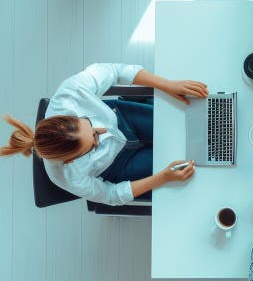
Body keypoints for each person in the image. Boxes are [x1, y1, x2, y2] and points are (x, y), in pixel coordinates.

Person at [0, 63, 207, 205]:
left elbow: (117, 70)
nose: (101, 132)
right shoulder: (66, 176)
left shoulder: (69, 95)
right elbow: (111, 194)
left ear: (72, 116)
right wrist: (162, 177)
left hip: (123, 119)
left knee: (193, 124)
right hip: (118, 165)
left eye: (90, 124)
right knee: (191, 166)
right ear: (71, 160)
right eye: (94, 142)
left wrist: (169, 85)